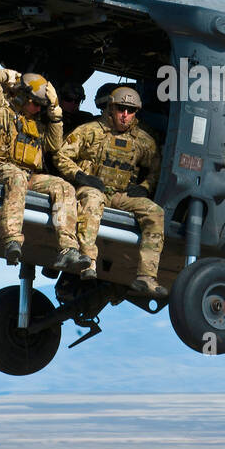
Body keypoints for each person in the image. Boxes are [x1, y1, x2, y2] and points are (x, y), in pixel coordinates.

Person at [0, 69, 90, 273]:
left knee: (64, 187)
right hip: (1, 169)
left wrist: (54, 109)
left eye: (41, 105)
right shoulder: (2, 109)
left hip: (29, 175)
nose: (37, 109)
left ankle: (68, 248)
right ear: (22, 96)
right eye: (35, 103)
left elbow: (54, 147)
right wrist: (17, 77)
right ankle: (12, 241)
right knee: (16, 178)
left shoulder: (39, 123)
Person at [55, 86, 167, 297]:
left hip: (121, 195)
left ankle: (147, 277)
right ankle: (88, 262)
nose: (125, 115)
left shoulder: (143, 140)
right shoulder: (90, 131)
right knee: (92, 201)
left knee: (155, 212)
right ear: (111, 108)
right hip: (93, 188)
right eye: (121, 109)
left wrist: (145, 187)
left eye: (130, 110)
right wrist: (80, 176)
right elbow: (61, 155)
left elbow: (157, 169)